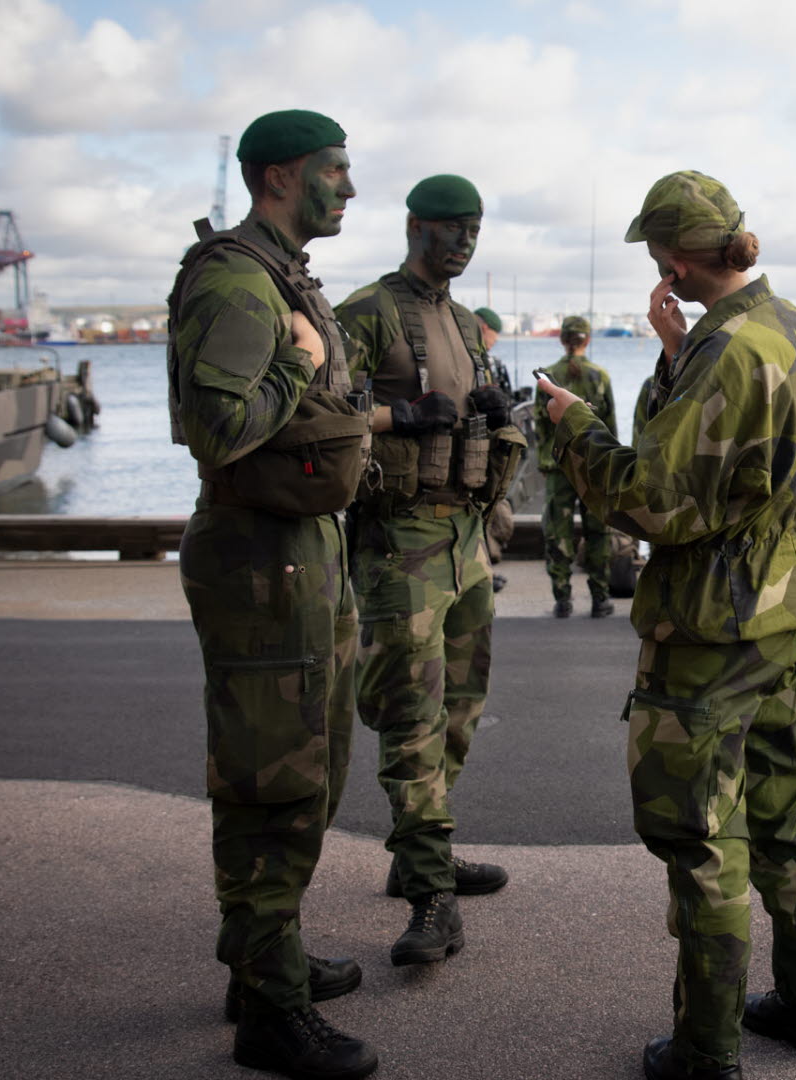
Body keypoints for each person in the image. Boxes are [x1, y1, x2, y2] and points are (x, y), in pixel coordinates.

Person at [535, 170, 796, 1080]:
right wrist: (677, 353)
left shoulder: (729, 350)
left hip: (712, 624)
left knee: (704, 838)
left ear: (672, 259)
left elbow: (658, 501)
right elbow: (741, 460)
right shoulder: (790, 328)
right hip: (783, 610)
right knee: (784, 811)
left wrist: (578, 426)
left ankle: (707, 1047)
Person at [168, 108, 377, 1079]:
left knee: (315, 766)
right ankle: (267, 1007)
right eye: (338, 171)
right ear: (283, 176)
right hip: (262, 560)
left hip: (304, 550)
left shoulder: (284, 275)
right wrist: (297, 358)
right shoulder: (238, 278)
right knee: (272, 783)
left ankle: (267, 954)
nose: (351, 187)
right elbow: (217, 426)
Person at [335, 174, 520, 969]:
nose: (464, 241)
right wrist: (395, 415)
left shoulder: (465, 323)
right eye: (451, 227)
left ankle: (424, 852)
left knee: (461, 707)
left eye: (474, 228)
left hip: (467, 538)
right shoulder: (369, 314)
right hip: (401, 543)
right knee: (412, 713)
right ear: (415, 226)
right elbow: (316, 409)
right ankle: (428, 898)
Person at [531, 315, 617, 618]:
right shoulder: (600, 377)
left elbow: (540, 425)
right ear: (587, 340)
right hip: (593, 467)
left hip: (558, 467)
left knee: (558, 532)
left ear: (562, 339)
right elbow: (609, 427)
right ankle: (600, 597)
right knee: (598, 532)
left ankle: (563, 599)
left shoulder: (547, 378)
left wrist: (545, 457)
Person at [471, 307, 517, 593]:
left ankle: (484, 570)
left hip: (488, 448)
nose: (492, 344)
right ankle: (481, 571)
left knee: (484, 512)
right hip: (476, 448)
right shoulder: (475, 359)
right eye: (492, 337)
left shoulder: (486, 361)